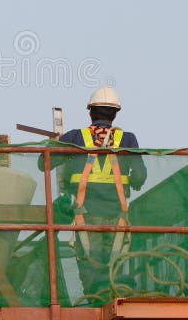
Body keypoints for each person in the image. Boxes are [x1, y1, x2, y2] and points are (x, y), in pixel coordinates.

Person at [49, 86, 147, 297]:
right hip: (117, 215)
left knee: (90, 268)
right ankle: (114, 299)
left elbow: (43, 163)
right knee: (115, 268)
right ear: (115, 113)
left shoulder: (75, 137)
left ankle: (95, 305)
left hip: (86, 214)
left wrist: (58, 146)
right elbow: (140, 177)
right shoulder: (128, 139)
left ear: (90, 111)